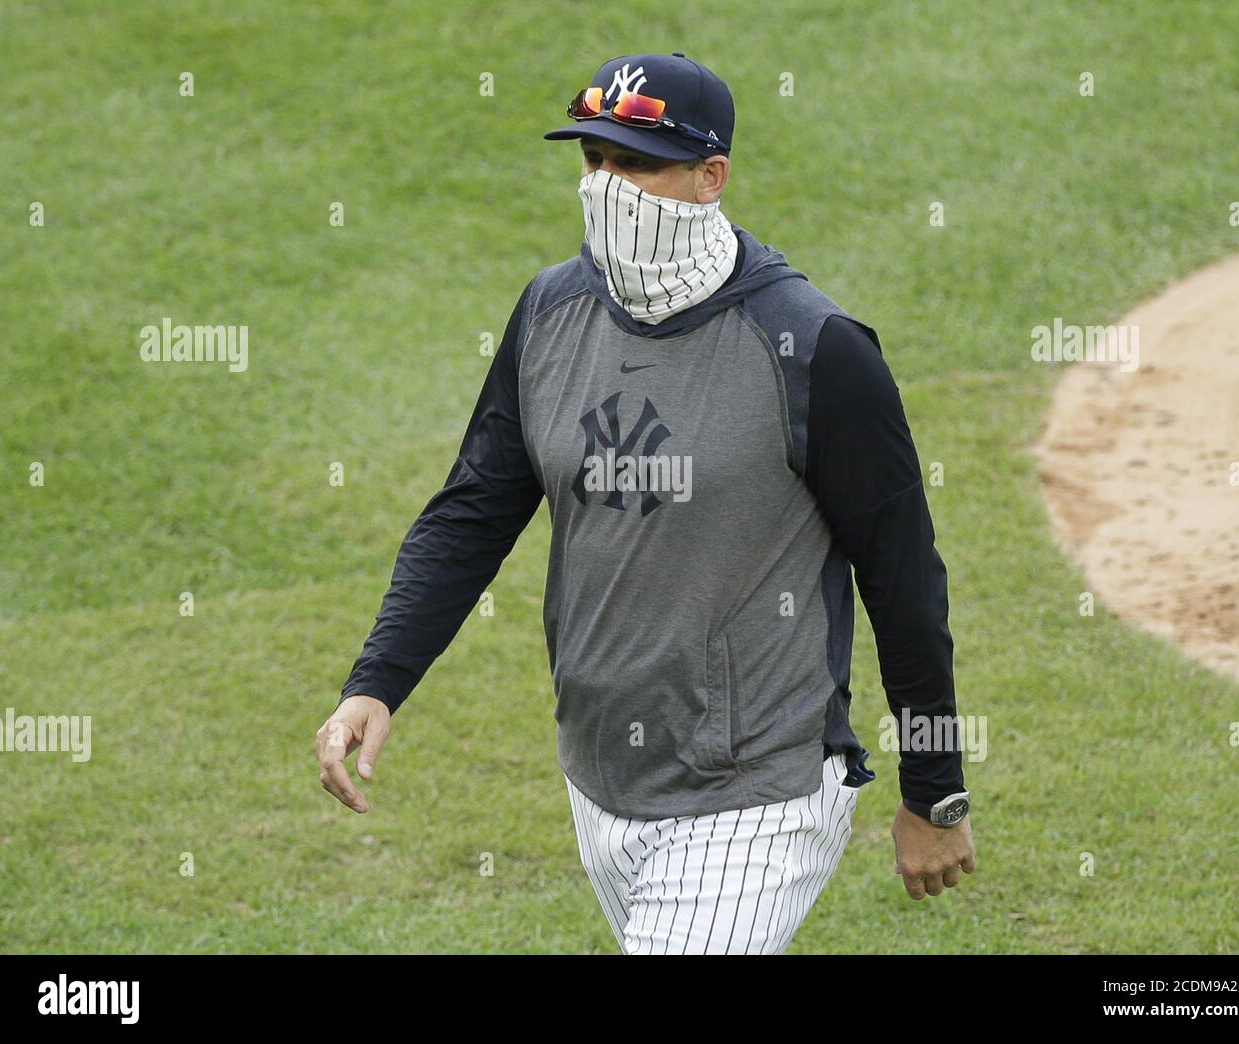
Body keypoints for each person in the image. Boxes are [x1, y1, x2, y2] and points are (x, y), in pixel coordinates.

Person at [315, 52, 976, 954]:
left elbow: (903, 581)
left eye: (635, 163)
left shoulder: (814, 349)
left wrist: (934, 790)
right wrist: (377, 681)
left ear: (712, 178)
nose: (607, 187)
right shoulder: (550, 312)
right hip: (599, 783)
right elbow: (473, 511)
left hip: (757, 795)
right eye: (594, 161)